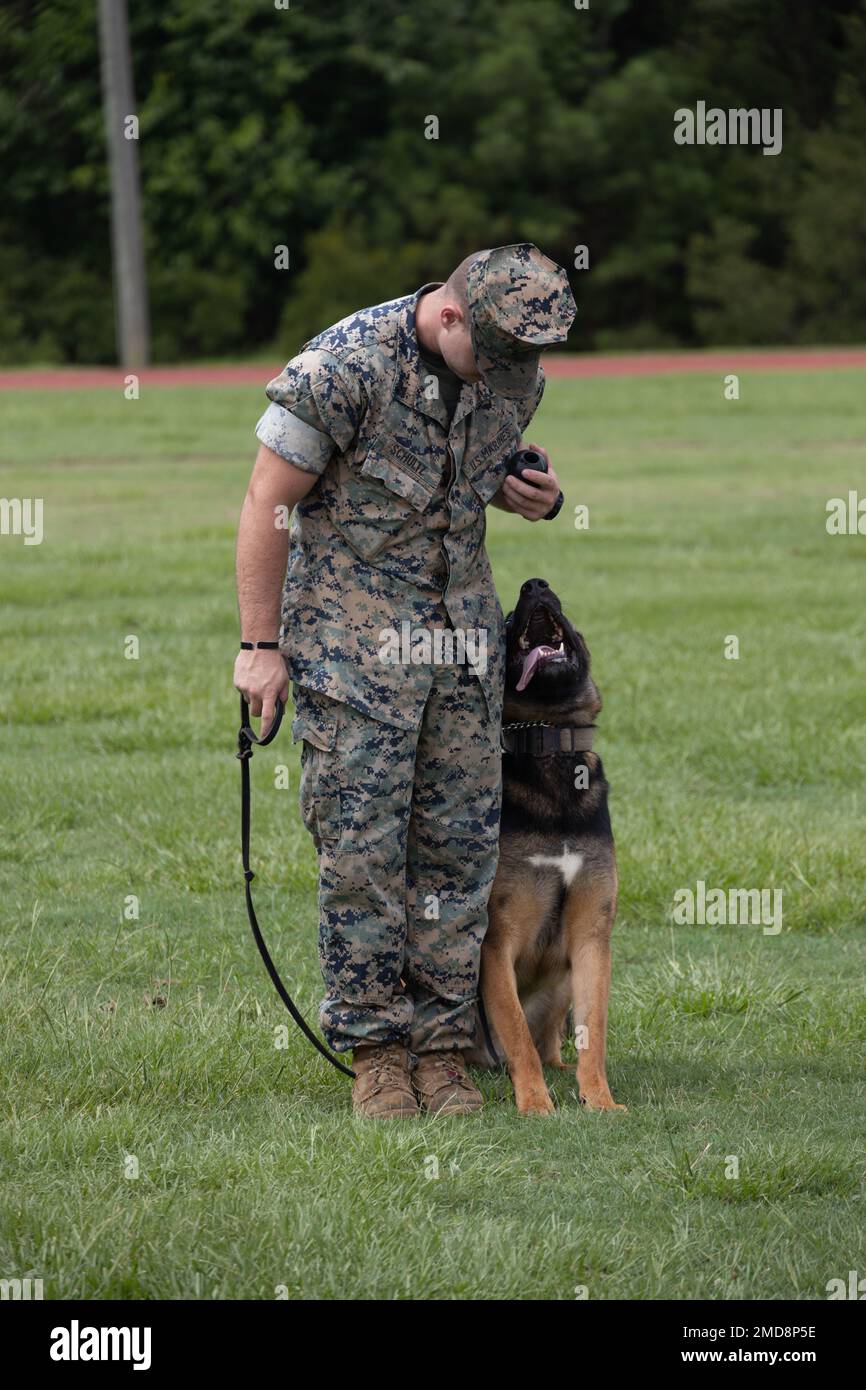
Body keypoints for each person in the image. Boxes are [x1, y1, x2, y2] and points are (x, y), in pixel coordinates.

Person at [233, 243, 576, 1118]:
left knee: (458, 851)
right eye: (494, 358)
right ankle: (379, 1055)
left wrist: (525, 492)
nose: (511, 378)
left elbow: (473, 467)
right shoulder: (342, 367)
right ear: (450, 313)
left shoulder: (510, 364)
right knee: (362, 851)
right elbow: (268, 501)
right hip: (355, 645)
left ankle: (444, 1049)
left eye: (522, 366)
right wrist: (259, 646)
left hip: (461, 642)